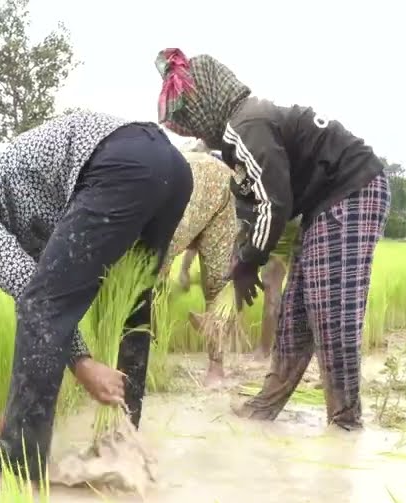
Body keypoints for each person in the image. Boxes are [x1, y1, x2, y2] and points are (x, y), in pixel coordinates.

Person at [0, 110, 193, 481]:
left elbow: (36, 300)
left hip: (118, 162)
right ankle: (123, 447)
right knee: (131, 303)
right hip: (171, 168)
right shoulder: (20, 219)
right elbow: (59, 302)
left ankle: (17, 472)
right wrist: (18, 409)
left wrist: (82, 366)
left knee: (39, 305)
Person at [154, 48, 391, 430]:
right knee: (296, 312)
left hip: (351, 188)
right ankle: (265, 408)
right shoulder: (236, 137)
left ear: (208, 103)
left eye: (192, 123)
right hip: (322, 204)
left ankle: (345, 423)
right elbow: (251, 205)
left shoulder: (247, 124)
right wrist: (241, 258)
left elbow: (275, 203)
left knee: (330, 308)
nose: (195, 132)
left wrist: (250, 263)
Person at [163, 150, 284, 386]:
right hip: (196, 199)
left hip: (238, 210)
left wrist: (246, 261)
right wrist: (185, 270)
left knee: (222, 284)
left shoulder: (253, 187)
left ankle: (220, 365)